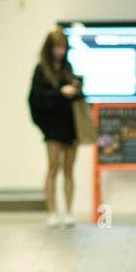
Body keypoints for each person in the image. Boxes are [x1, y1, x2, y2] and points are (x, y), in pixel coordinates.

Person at [28, 26, 83, 228]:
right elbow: (36, 99)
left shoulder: (68, 68)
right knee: (53, 168)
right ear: (49, 48)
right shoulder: (41, 71)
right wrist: (60, 93)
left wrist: (75, 90)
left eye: (63, 47)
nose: (60, 51)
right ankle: (51, 212)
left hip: (70, 128)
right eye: (56, 47)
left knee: (69, 169)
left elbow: (79, 96)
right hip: (52, 128)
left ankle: (69, 211)